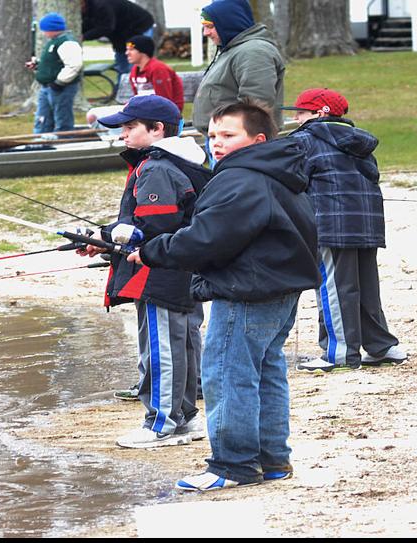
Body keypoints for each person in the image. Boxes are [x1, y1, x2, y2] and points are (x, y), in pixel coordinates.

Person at [128, 100, 320, 490]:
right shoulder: (278, 172)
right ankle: (272, 461)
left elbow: (207, 239)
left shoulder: (242, 179)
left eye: (228, 135)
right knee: (266, 374)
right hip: (279, 289)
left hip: (248, 291)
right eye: (213, 135)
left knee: (226, 376)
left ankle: (232, 465)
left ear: (257, 139)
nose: (216, 143)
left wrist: (151, 251)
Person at [76, 95, 211, 448]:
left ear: (157, 129)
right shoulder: (181, 160)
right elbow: (150, 224)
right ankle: (183, 417)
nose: (123, 134)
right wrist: (105, 238)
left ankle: (161, 423)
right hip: (181, 269)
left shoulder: (155, 167)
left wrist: (116, 236)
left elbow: (155, 225)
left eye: (130, 127)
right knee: (180, 343)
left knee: (160, 347)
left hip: (158, 273)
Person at [282, 88, 407, 372]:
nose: (296, 117)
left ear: (319, 113)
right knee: (365, 286)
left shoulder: (303, 141)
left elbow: (292, 181)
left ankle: (339, 353)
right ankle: (381, 346)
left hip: (330, 225)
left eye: (300, 112)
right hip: (367, 223)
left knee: (334, 288)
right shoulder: (358, 141)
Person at [193, 0, 286, 149]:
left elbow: (256, 103)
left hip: (241, 144)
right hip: (224, 139)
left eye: (210, 27)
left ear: (229, 22)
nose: (206, 33)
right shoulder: (234, 49)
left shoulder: (254, 52)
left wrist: (241, 143)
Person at [28, 13, 83, 134]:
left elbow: (74, 65)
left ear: (52, 29)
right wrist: (38, 65)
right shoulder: (54, 42)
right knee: (43, 115)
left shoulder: (67, 43)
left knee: (62, 115)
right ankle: (42, 135)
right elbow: (54, 63)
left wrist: (60, 82)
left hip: (61, 87)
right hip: (47, 86)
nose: (43, 32)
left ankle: (64, 137)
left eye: (45, 29)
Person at [81, 0, 155, 77]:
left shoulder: (101, 5)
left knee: (135, 64)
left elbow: (106, 27)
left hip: (139, 27)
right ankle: (123, 86)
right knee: (123, 67)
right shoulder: (85, 10)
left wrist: (84, 37)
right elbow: (88, 25)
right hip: (121, 34)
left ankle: (140, 85)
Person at [126, 35, 182, 110]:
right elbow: (137, 98)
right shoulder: (134, 70)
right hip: (146, 111)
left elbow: (164, 101)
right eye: (127, 50)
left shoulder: (158, 69)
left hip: (166, 115)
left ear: (143, 51)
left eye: (131, 50)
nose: (127, 53)